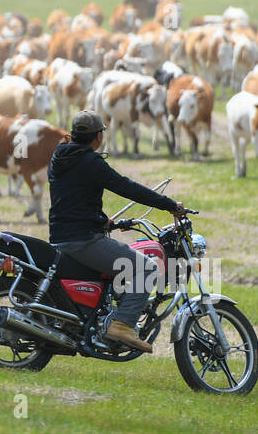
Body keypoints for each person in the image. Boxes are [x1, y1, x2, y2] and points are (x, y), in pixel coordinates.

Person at [46, 111, 185, 354]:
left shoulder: (59, 157)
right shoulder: (90, 162)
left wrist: (102, 220)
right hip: (83, 240)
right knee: (147, 268)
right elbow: (126, 187)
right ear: (98, 136)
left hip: (61, 236)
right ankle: (123, 325)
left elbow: (70, 198)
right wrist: (169, 204)